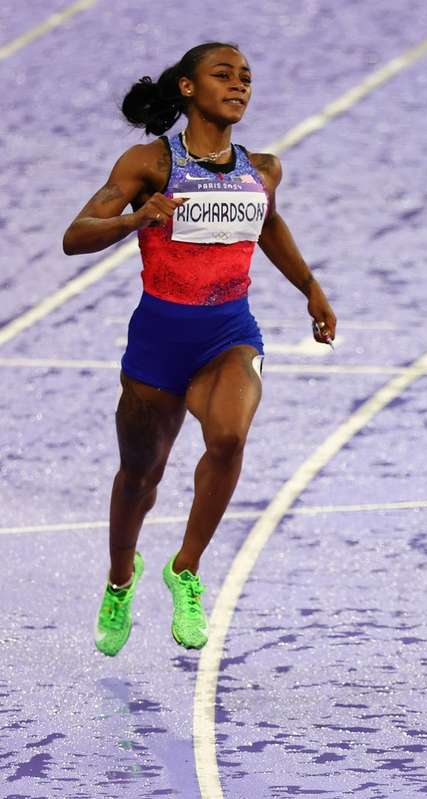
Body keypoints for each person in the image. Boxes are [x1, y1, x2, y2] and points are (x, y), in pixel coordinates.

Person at [63, 42, 337, 656]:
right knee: (140, 476)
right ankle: (120, 579)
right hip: (157, 345)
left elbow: (268, 224)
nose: (239, 85)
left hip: (228, 335)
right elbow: (74, 237)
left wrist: (311, 288)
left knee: (230, 436)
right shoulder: (150, 164)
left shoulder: (261, 169)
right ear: (188, 88)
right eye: (223, 75)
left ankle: (185, 569)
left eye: (246, 78)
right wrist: (133, 220)